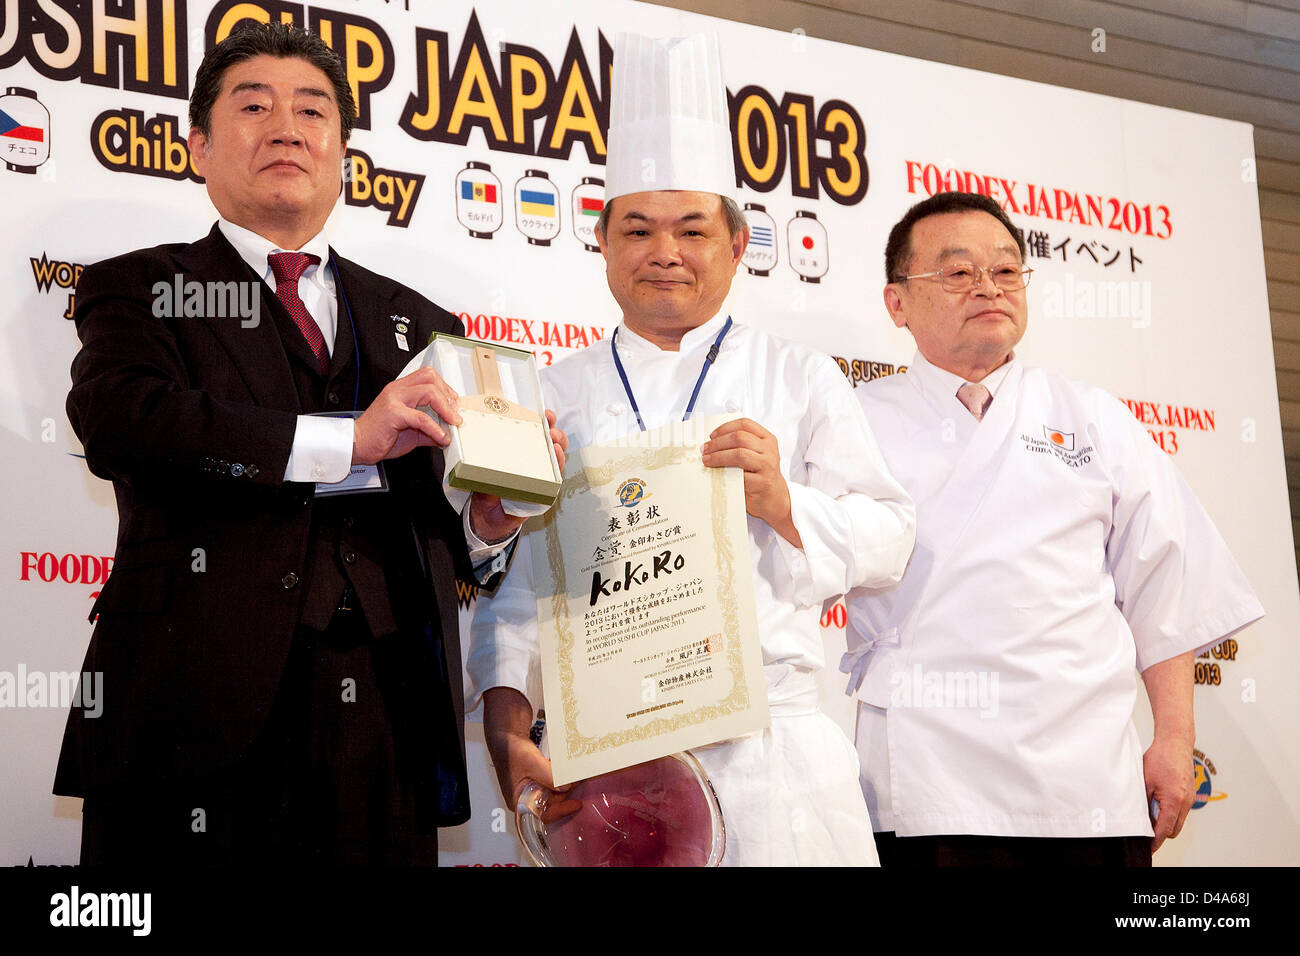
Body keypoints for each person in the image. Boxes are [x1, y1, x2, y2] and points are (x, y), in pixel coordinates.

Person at [54, 22, 563, 865]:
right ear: (198, 149)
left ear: (343, 154)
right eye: (254, 105)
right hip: (190, 711)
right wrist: (346, 439)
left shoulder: (423, 321)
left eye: (313, 110)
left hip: (387, 721)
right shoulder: (142, 286)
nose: (287, 127)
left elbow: (437, 529)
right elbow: (122, 423)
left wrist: (489, 522)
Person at [467, 32, 916, 866]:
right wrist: (505, 733)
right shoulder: (550, 395)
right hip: (604, 764)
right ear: (601, 243)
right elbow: (516, 588)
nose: (664, 252)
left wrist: (783, 500)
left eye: (692, 230)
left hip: (775, 757)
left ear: (739, 245)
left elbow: (891, 538)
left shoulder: (800, 375)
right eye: (636, 229)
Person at [843, 191, 1264, 866]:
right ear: (897, 302)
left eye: (1007, 271)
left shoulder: (1092, 415)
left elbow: (1167, 587)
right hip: (927, 785)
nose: (988, 287)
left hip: (1085, 784)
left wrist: (1175, 741)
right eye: (957, 272)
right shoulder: (853, 419)